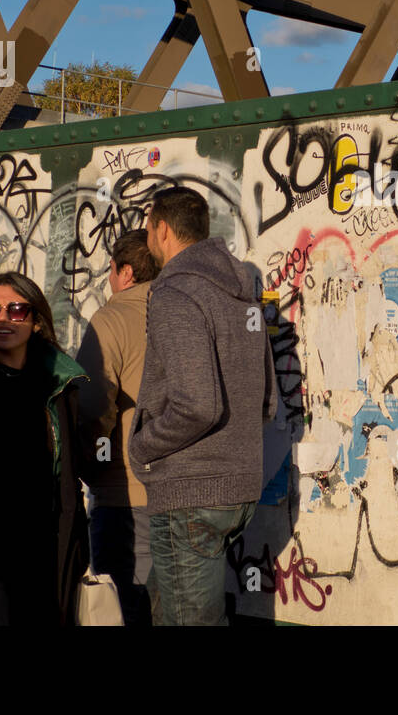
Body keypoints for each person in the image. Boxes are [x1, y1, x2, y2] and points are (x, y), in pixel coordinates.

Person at [130, 186, 277, 626]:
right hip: (237, 491)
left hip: (191, 494)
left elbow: (197, 406)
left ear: (163, 230)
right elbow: (267, 400)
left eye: (149, 228)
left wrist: (142, 446)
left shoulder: (176, 292)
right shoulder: (240, 290)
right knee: (162, 607)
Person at [0, 272, 88, 626]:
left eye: (17, 310)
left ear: (35, 322)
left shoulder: (60, 383)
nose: (3, 319)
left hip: (43, 544)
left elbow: (71, 469)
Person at [75, 229, 160, 626]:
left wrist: (89, 467)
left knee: (117, 608)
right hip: (176, 494)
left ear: (124, 271)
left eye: (110, 270)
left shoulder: (110, 319)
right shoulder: (179, 313)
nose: (109, 280)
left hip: (121, 494)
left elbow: (93, 405)